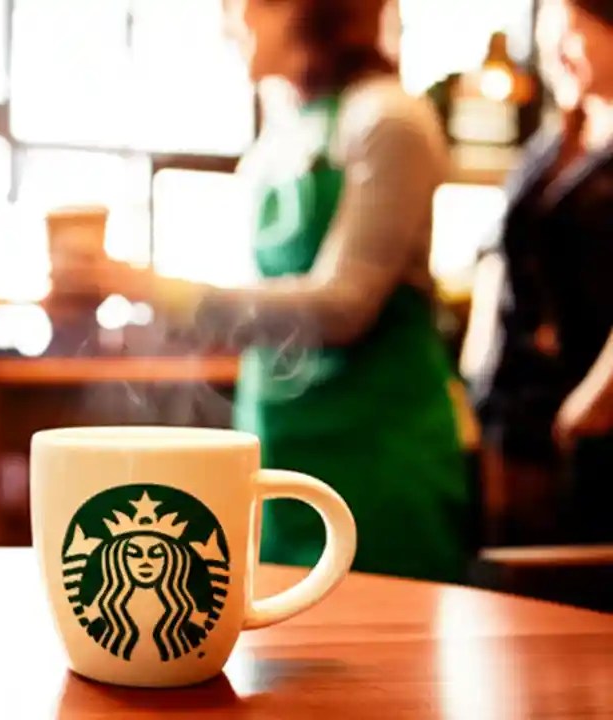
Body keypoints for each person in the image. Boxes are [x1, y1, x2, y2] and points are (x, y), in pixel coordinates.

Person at [86, 0, 470, 582]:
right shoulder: (287, 126)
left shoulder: (389, 120)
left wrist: (153, 288)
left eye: (241, 6)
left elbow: (342, 307)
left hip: (375, 447)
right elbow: (266, 298)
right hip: (281, 432)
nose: (227, 22)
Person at [467, 0, 613, 545]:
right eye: (548, 34)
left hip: (587, 419)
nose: (555, 52)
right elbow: (500, 253)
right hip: (517, 407)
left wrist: (591, 407)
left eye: (572, 33)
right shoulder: (555, 141)